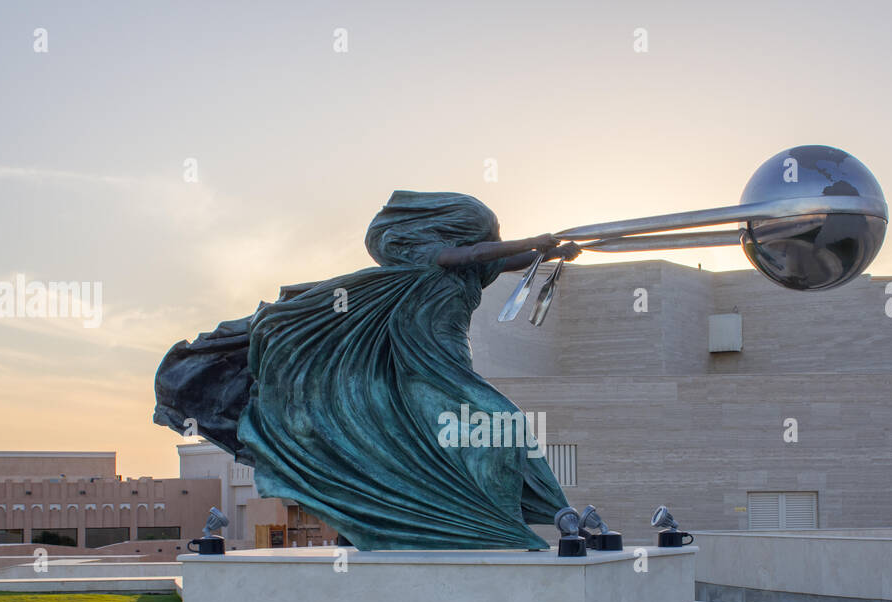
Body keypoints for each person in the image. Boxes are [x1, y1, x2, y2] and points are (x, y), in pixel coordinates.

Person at [153, 190, 580, 550]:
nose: (492, 240)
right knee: (499, 421)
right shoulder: (428, 258)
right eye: (488, 233)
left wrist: (549, 250)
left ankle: (517, 514)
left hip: (448, 364)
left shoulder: (469, 269)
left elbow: (499, 260)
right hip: (420, 364)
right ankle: (527, 516)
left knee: (486, 430)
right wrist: (532, 239)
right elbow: (471, 254)